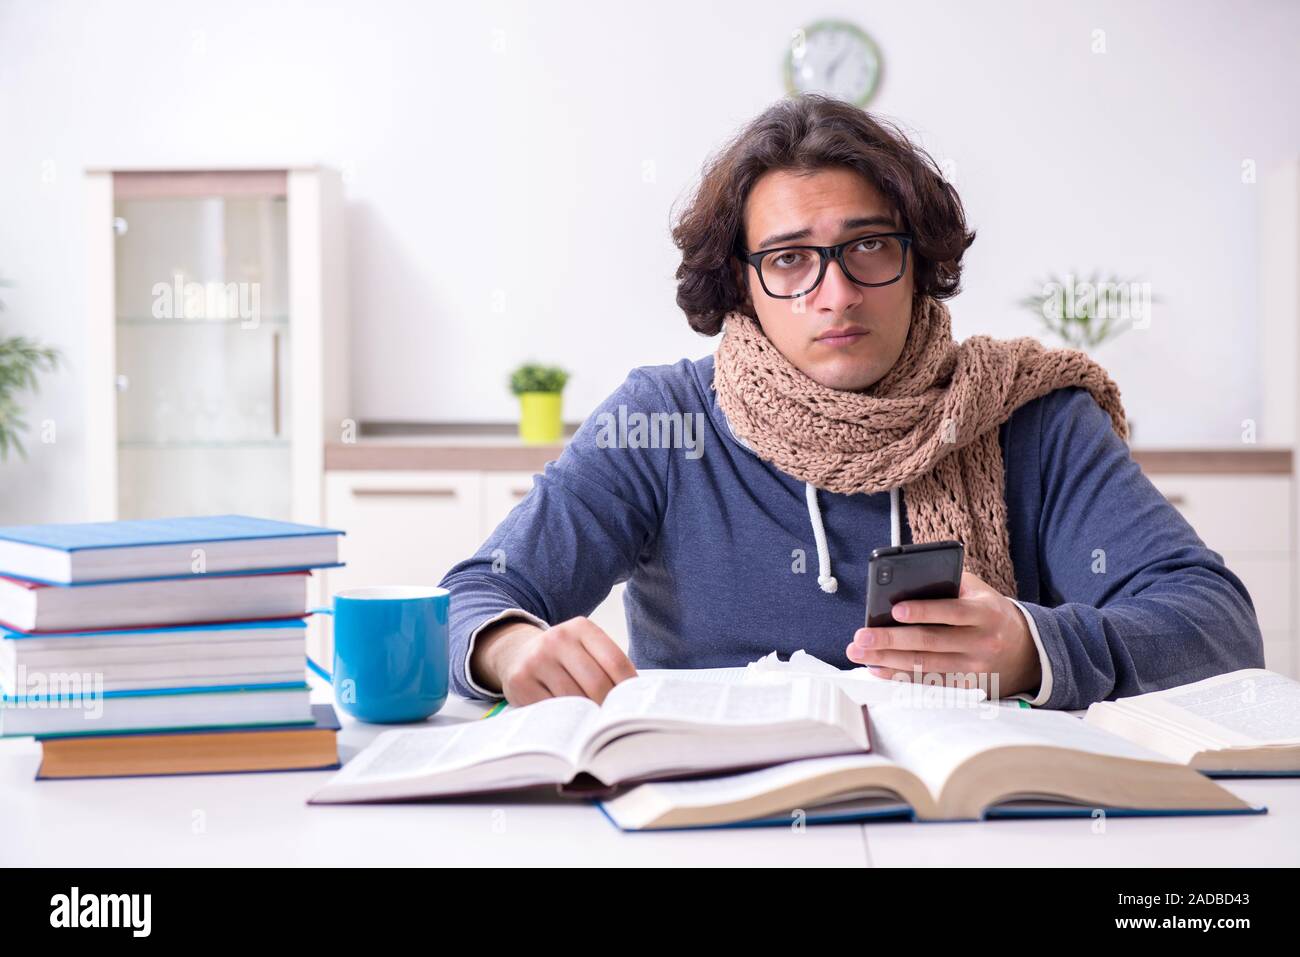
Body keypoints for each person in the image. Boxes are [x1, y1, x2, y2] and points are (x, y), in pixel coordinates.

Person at [438, 93, 1264, 709]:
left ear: (919, 259)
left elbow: (1218, 626)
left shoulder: (1032, 416)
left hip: (985, 828)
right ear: (741, 283)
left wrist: (1035, 648)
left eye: (868, 245)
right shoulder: (664, 422)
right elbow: (474, 596)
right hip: (712, 830)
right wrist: (509, 650)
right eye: (791, 258)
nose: (835, 292)